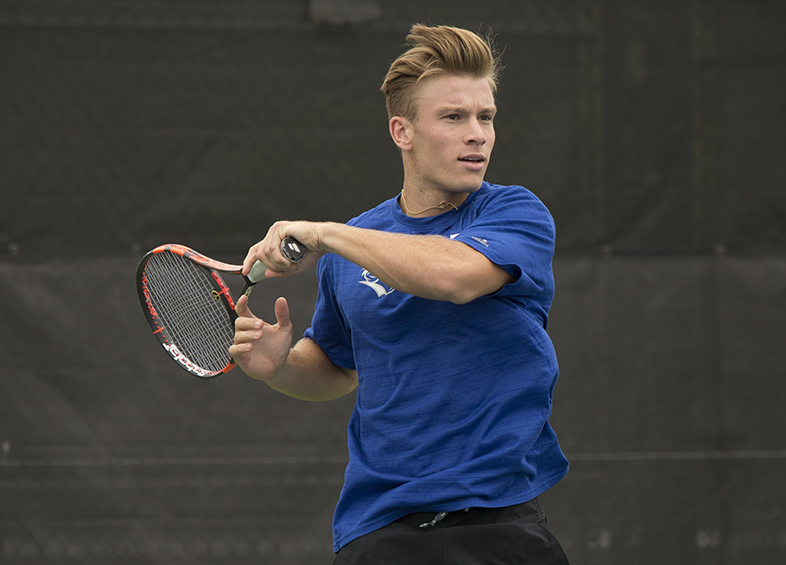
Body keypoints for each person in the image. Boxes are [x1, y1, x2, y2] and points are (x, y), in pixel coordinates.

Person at [230, 24, 569, 564]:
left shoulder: (516, 214)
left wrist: (324, 234)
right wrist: (283, 367)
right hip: (379, 530)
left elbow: (454, 277)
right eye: (454, 117)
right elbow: (337, 367)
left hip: (499, 526)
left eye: (486, 117)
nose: (477, 133)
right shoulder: (356, 247)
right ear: (402, 132)